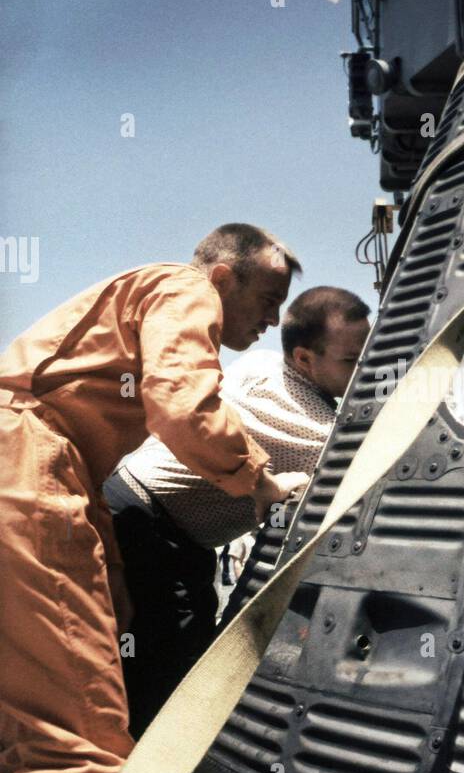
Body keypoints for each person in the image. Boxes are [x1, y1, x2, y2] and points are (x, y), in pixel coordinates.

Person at [0, 223, 303, 773]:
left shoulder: (120, 308)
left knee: (21, 746)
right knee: (78, 754)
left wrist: (108, 571)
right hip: (26, 478)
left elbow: (80, 454)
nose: (269, 322)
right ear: (227, 274)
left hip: (39, 475)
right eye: (267, 300)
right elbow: (183, 407)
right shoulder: (182, 288)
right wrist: (260, 483)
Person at [104, 285, 372, 740]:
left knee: (133, 659)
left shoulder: (260, 363)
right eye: (350, 360)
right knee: (174, 680)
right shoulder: (322, 436)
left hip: (123, 502)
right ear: (305, 359)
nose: (363, 370)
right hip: (155, 532)